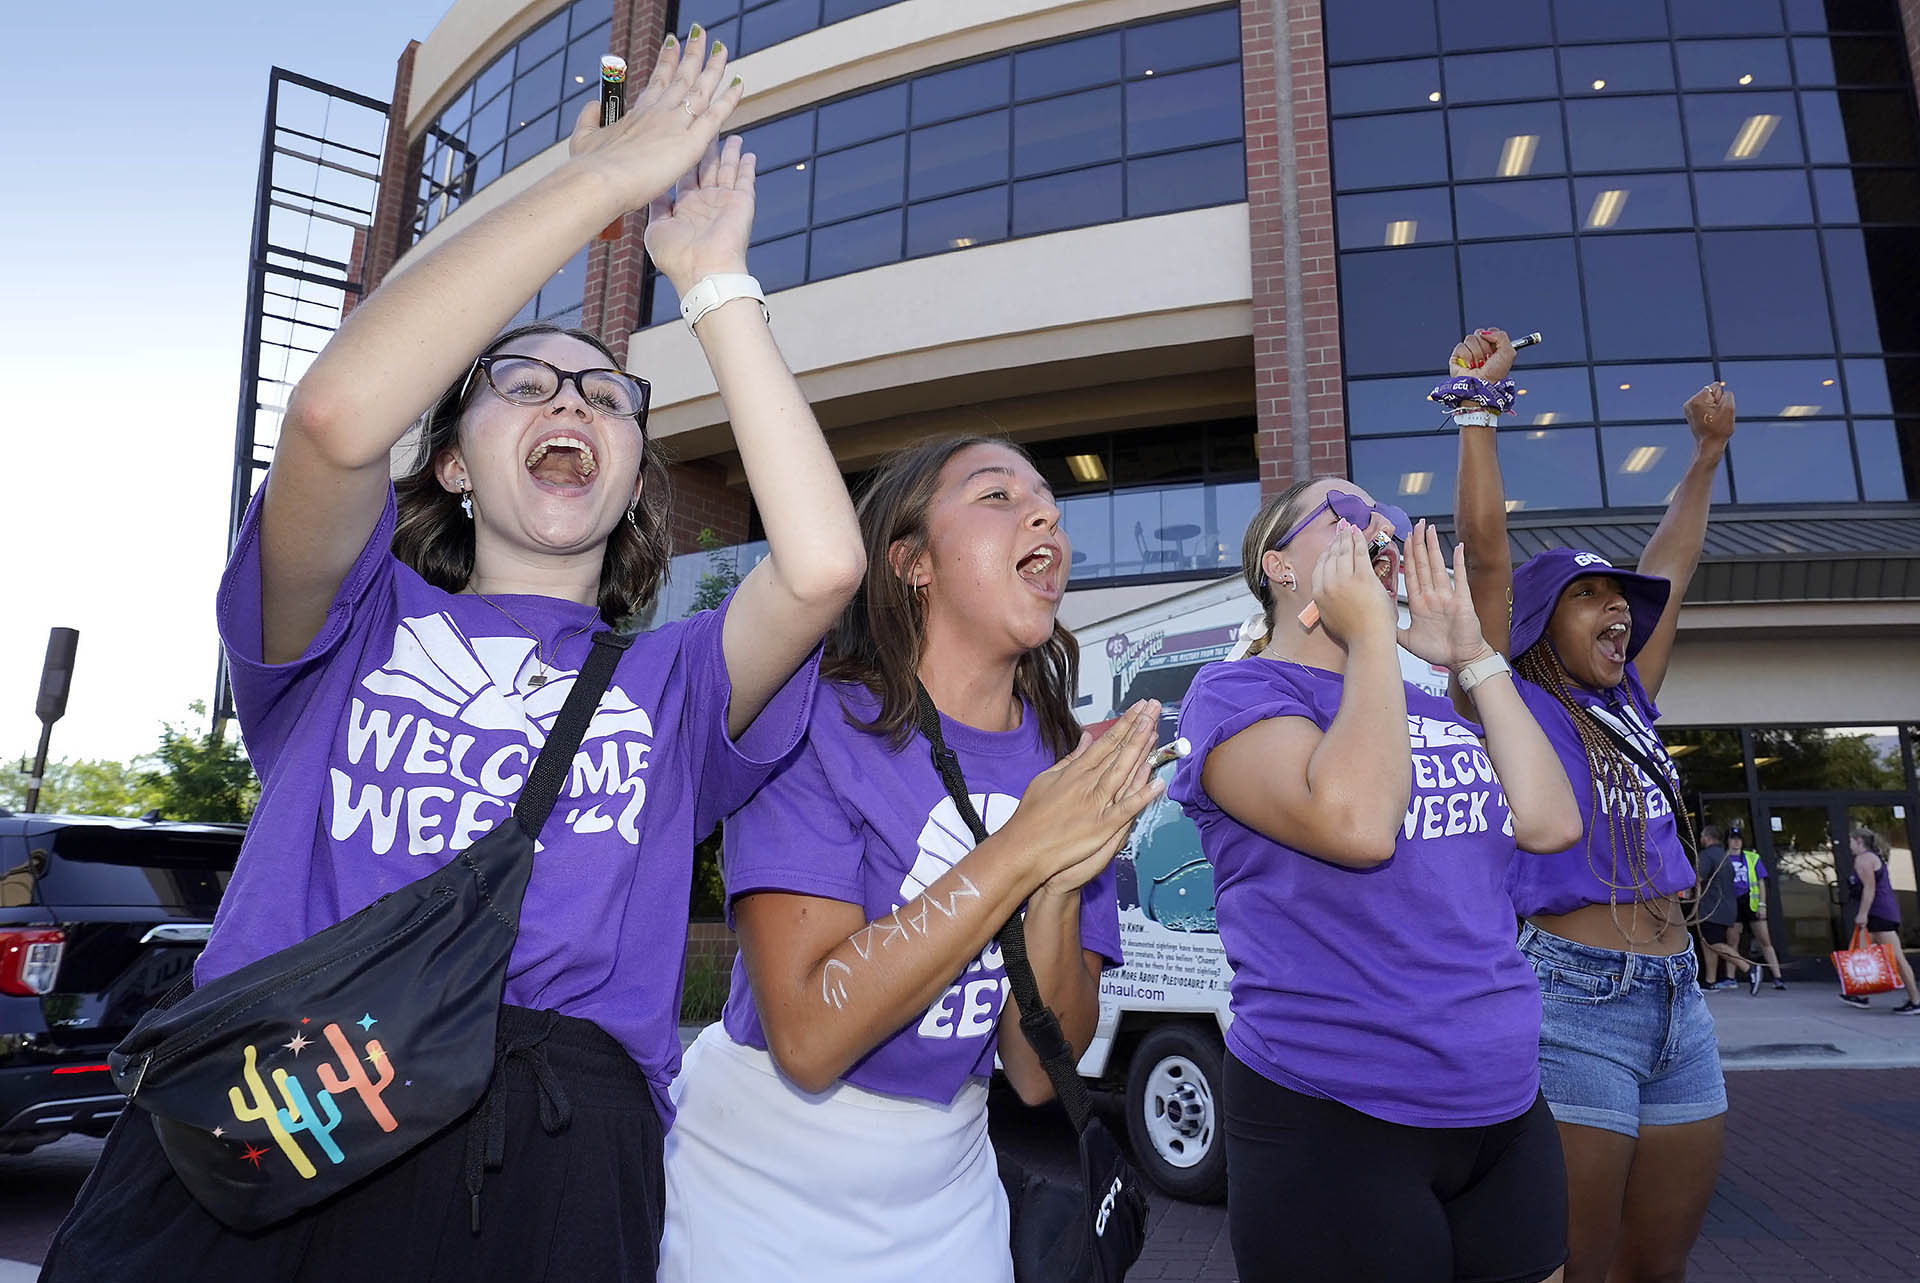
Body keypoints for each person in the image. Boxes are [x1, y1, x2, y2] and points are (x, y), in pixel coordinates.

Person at [41, 32, 864, 1283]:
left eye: (607, 396)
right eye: (522, 383)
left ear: (637, 482)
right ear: (453, 462)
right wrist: (594, 183)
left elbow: (819, 566)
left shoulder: (675, 682)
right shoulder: (346, 629)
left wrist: (711, 280)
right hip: (270, 1110)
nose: (572, 403)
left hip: (543, 1154)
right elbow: (331, 416)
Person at [657, 435, 1157, 1282]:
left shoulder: (1063, 762)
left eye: (1046, 499)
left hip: (949, 1189)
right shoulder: (814, 714)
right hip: (757, 1179)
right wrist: (1024, 848)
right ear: (913, 563)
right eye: (996, 495)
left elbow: (1041, 1074)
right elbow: (810, 1037)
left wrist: (1060, 888)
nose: (1045, 512)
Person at [1169, 480, 1582, 1283]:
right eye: (1347, 516)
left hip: (1503, 1100)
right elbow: (1356, 825)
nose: (1379, 530)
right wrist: (1368, 645)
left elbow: (1551, 821)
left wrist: (1472, 652)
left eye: (1387, 522)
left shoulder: (1423, 702)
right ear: (1278, 564)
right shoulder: (1237, 694)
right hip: (1335, 1107)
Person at [1450, 326, 1736, 1283]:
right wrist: (1479, 414)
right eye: (1589, 595)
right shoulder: (1509, 695)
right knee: (1572, 1267)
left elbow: (1675, 562)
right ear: (1536, 628)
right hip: (1572, 1003)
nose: (1618, 608)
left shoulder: (1631, 698)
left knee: (1659, 1267)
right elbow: (1487, 562)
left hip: (1679, 998)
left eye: (1620, 597)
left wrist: (1704, 457)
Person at [1841, 831, 1920, 1013]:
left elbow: (1870, 888)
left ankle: (1915, 1000)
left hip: (1878, 913)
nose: (1849, 845)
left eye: (1851, 841)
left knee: (1896, 957)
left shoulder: (1864, 859)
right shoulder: (1871, 858)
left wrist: (1862, 914)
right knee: (1860, 952)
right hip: (1881, 912)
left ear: (1859, 841)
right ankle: (1860, 994)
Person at [1693, 826, 1755, 990]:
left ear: (1706, 838)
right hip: (1728, 907)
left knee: (1713, 943)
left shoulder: (1706, 855)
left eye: (1701, 837)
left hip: (1710, 907)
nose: (1701, 840)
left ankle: (1749, 968)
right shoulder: (1725, 856)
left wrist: (1692, 899)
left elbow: (1698, 879)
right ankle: (1710, 981)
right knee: (1708, 943)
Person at [1727, 830, 1785, 991]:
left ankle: (1777, 977)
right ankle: (1730, 978)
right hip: (1733, 903)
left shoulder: (1751, 857)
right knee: (1732, 942)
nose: (1736, 842)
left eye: (1739, 839)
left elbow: (1760, 882)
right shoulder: (1723, 858)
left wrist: (1762, 904)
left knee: (1765, 941)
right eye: (1733, 839)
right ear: (1728, 841)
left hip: (1751, 902)